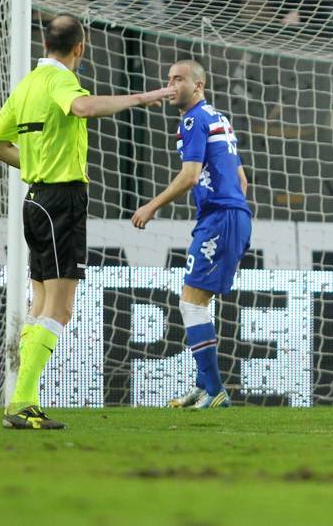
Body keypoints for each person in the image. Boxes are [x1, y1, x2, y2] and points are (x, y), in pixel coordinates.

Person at [0, 15, 174, 429]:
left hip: (35, 199)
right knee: (61, 307)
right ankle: (20, 401)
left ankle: (21, 400)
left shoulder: (25, 86)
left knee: (40, 305)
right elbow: (83, 107)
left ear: (44, 41)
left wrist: (35, 163)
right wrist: (141, 98)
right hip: (61, 201)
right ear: (80, 48)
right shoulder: (60, 81)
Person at [131, 61, 253, 409]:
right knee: (198, 303)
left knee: (190, 303)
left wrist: (151, 206)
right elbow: (242, 180)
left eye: (178, 79)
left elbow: (189, 176)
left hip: (220, 218)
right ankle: (203, 387)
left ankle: (215, 390)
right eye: (168, 79)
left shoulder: (193, 119)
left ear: (198, 85)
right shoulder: (219, 117)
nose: (170, 85)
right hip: (230, 215)